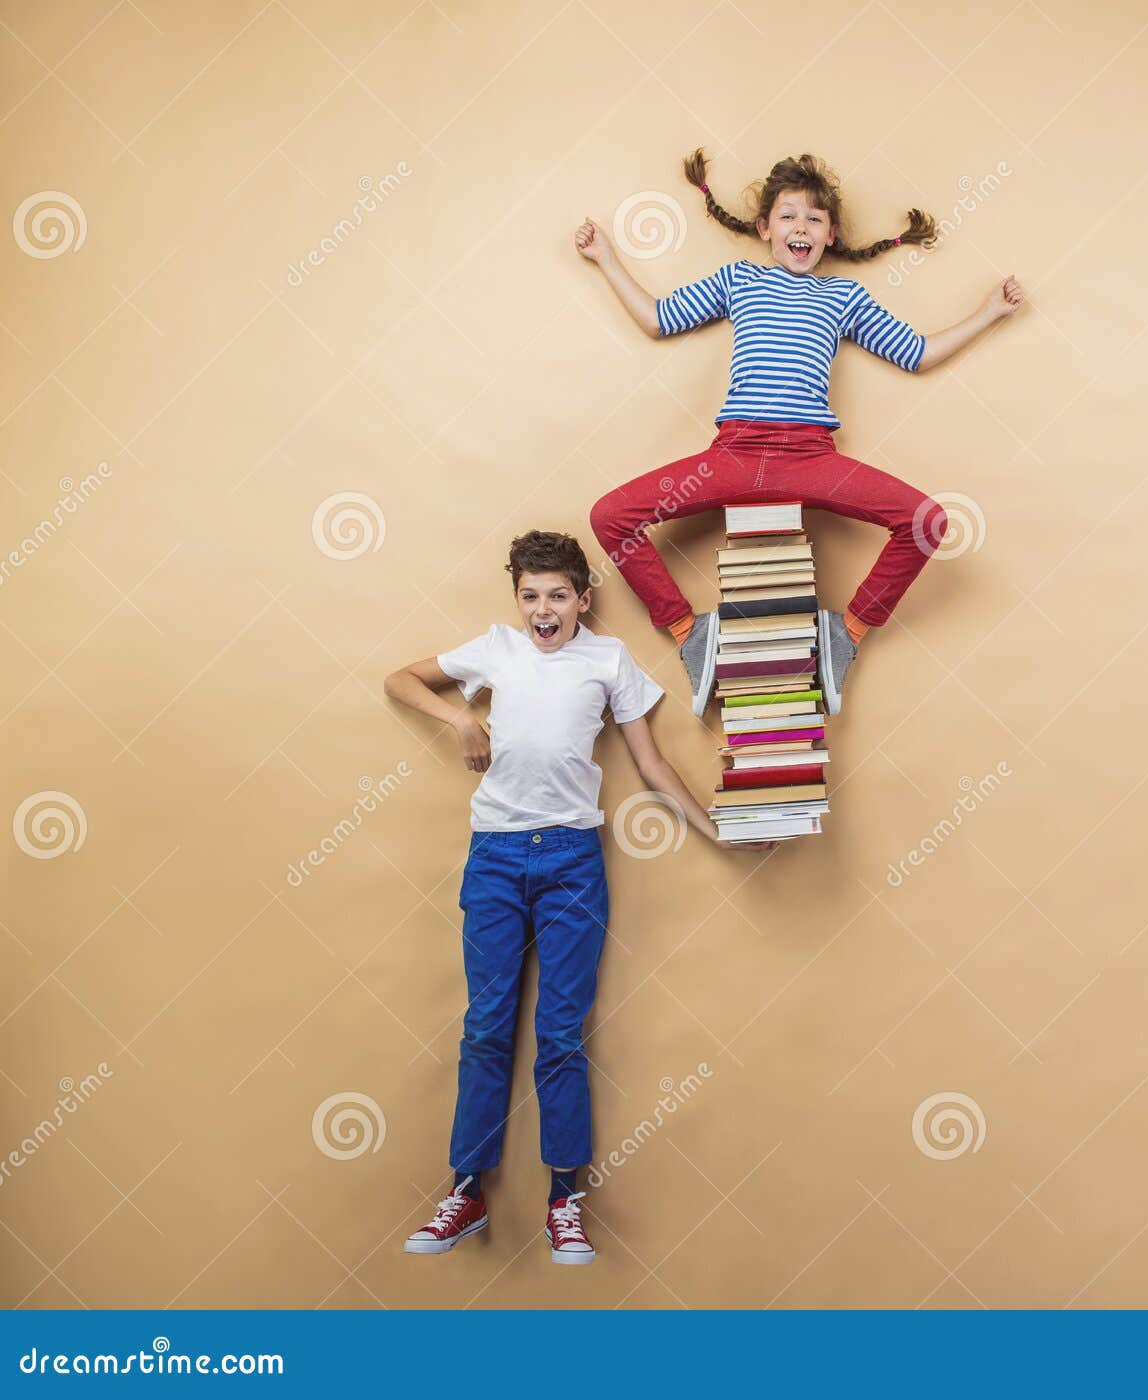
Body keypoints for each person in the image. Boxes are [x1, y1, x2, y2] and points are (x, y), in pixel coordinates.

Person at [383, 529, 770, 1265]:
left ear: (583, 599)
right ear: (518, 601)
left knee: (560, 1035)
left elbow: (650, 761)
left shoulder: (607, 660)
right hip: (495, 856)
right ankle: (466, 1191)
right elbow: (399, 679)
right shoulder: (495, 649)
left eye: (557, 594)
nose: (542, 609)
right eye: (530, 596)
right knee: (487, 1027)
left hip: (571, 860)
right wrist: (462, 716)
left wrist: (716, 832)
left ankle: (566, 1199)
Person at [582, 147, 1024, 717]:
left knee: (927, 521)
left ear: (830, 234)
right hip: (735, 454)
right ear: (765, 228)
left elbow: (916, 353)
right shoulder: (738, 279)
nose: (801, 227)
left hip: (811, 457)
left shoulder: (842, 296)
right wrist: (606, 258)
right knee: (609, 515)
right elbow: (659, 318)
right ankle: (692, 635)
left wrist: (988, 312)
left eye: (815, 219)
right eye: (789, 216)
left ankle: (847, 636)